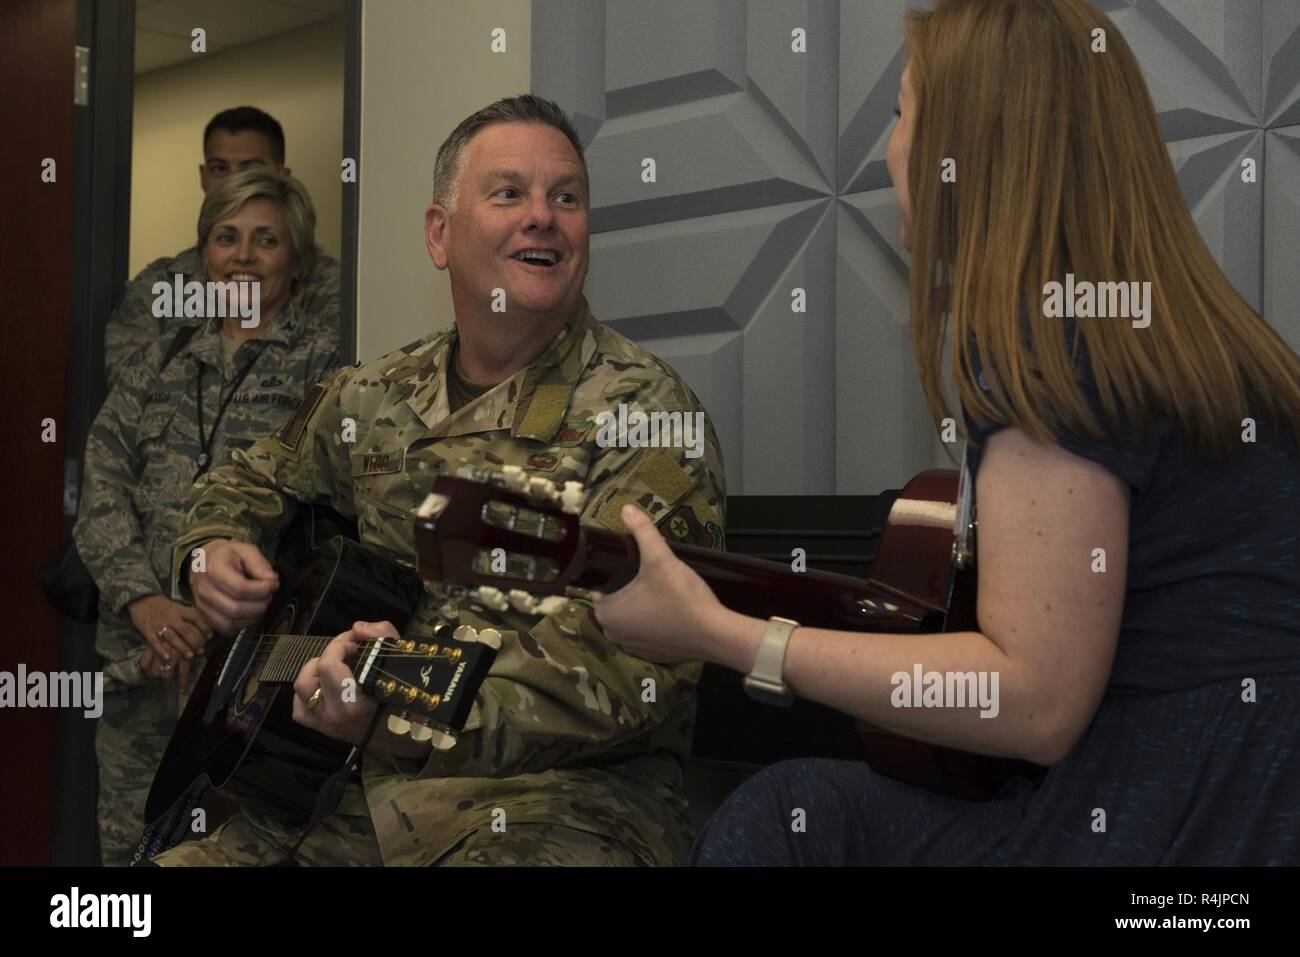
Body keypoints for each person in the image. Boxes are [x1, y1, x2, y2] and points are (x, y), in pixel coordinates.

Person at [594, 0, 1300, 866]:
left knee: (785, 816)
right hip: (1242, 792)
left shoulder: (1052, 350)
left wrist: (726, 635)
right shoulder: (1193, 339)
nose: (890, 148)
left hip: (1176, 821)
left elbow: (1035, 702)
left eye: (903, 112)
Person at [152, 95, 727, 867]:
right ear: (438, 233)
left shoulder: (647, 415)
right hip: (338, 794)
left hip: (560, 804)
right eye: (508, 193)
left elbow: (626, 670)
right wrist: (212, 547)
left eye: (567, 197)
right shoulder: (374, 393)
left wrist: (394, 704)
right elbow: (244, 478)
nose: (543, 217)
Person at [75, 168, 341, 866]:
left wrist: (224, 612)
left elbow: (327, 524)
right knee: (128, 865)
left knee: (232, 853)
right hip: (145, 669)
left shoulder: (330, 371)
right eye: (227, 238)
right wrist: (145, 602)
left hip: (248, 689)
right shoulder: (157, 362)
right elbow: (101, 486)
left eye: (266, 240)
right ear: (203, 255)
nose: (244, 256)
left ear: (298, 260)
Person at [105, 106, 340, 381]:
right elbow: (127, 382)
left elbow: (332, 384)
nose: (233, 180)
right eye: (219, 168)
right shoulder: (163, 281)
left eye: (250, 169)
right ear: (203, 176)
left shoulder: (328, 285)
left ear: (282, 176)